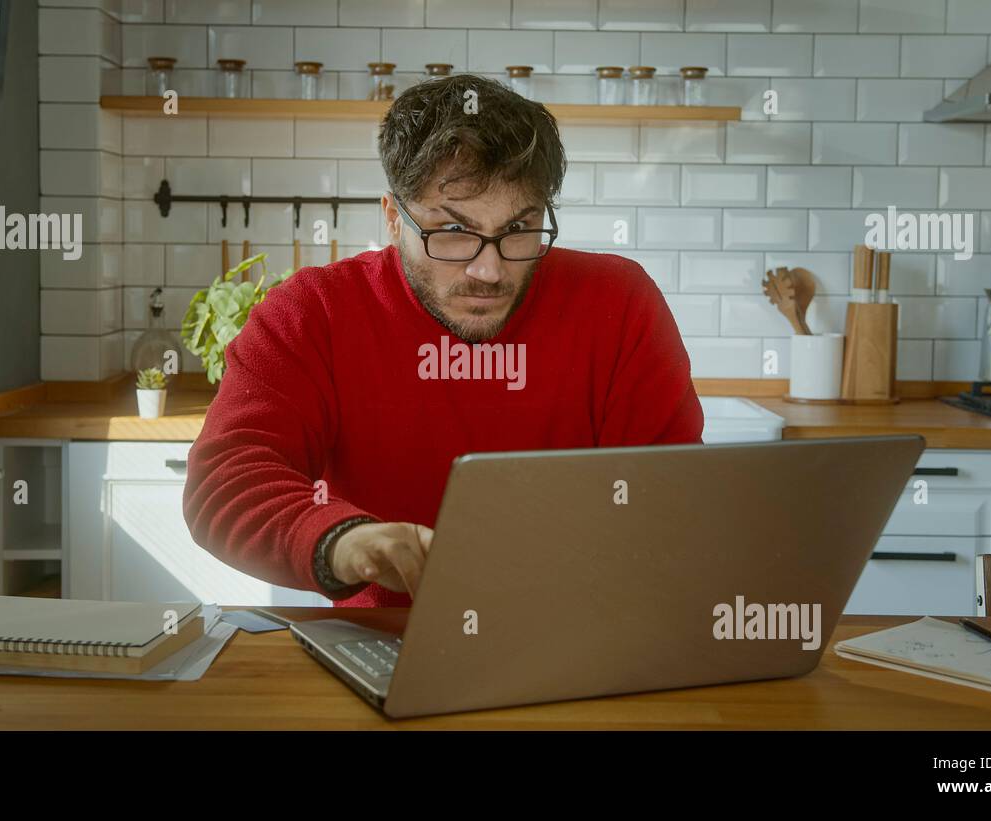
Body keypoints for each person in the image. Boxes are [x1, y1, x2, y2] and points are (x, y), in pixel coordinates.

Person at [183, 75, 703, 608]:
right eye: (453, 230)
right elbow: (226, 479)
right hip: (385, 642)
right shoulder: (313, 311)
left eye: (519, 227)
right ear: (393, 217)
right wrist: (344, 541)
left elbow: (669, 498)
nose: (488, 268)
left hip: (584, 636)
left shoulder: (619, 302)